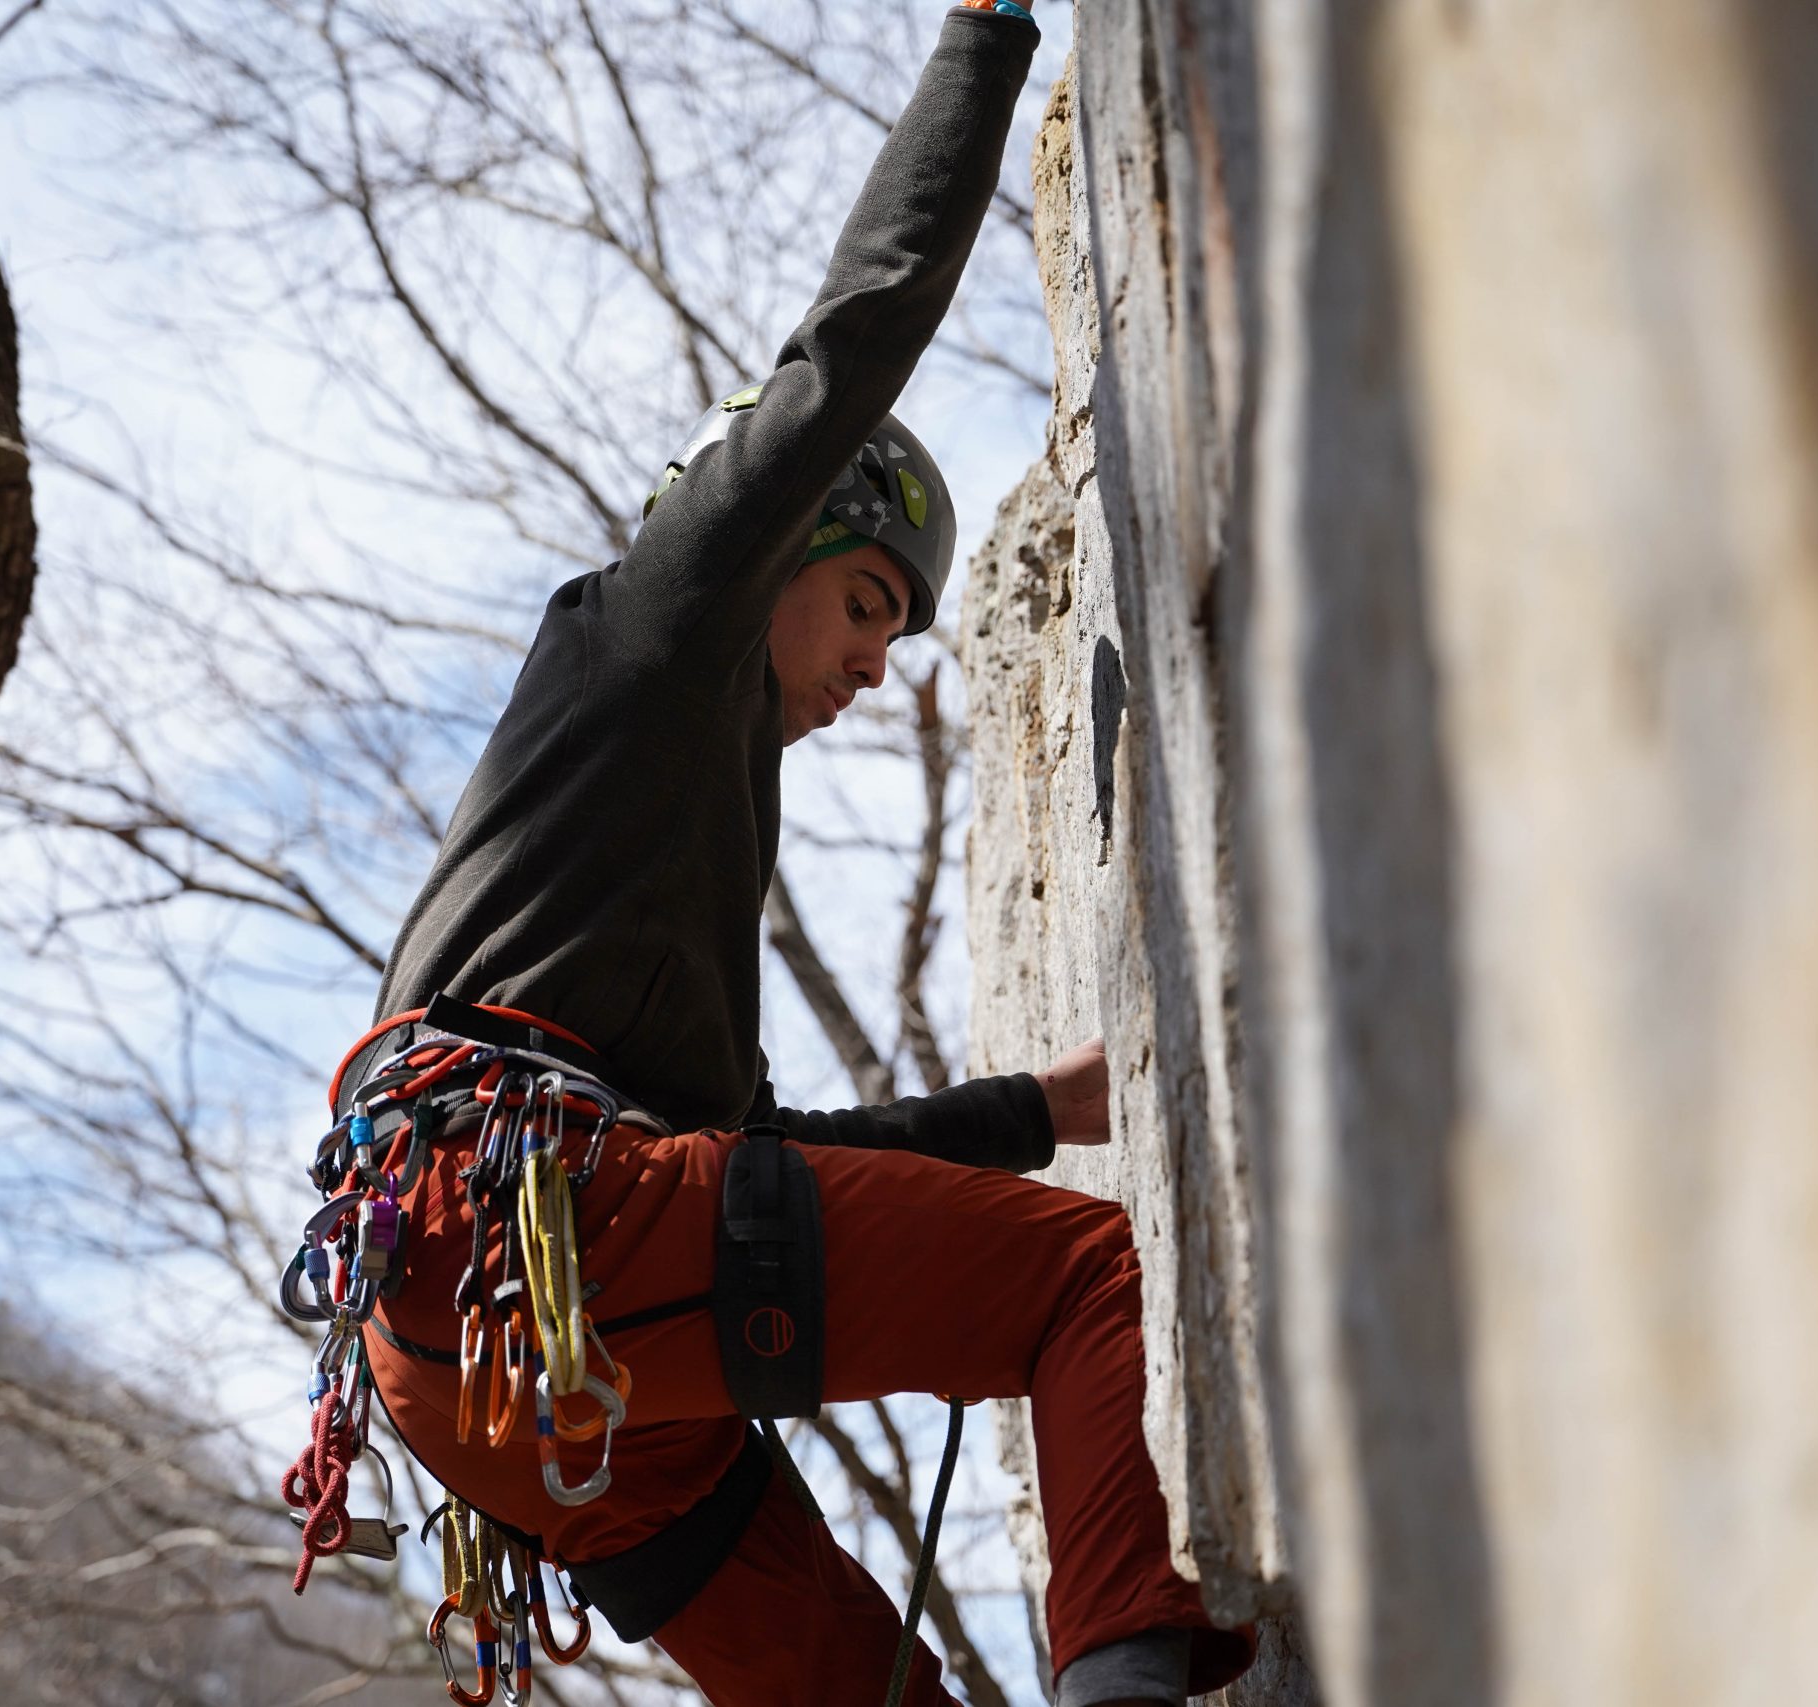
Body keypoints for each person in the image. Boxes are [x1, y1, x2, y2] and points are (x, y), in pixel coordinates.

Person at [347, 5, 1255, 1701]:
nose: (869, 664)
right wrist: (984, 41)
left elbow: (750, 1165)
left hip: (483, 1362)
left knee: (860, 1686)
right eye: (861, 605)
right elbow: (853, 341)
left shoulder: (641, 873)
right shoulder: (642, 632)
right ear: (766, 546)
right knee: (1086, 1277)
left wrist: (1029, 1114)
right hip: (532, 1228)